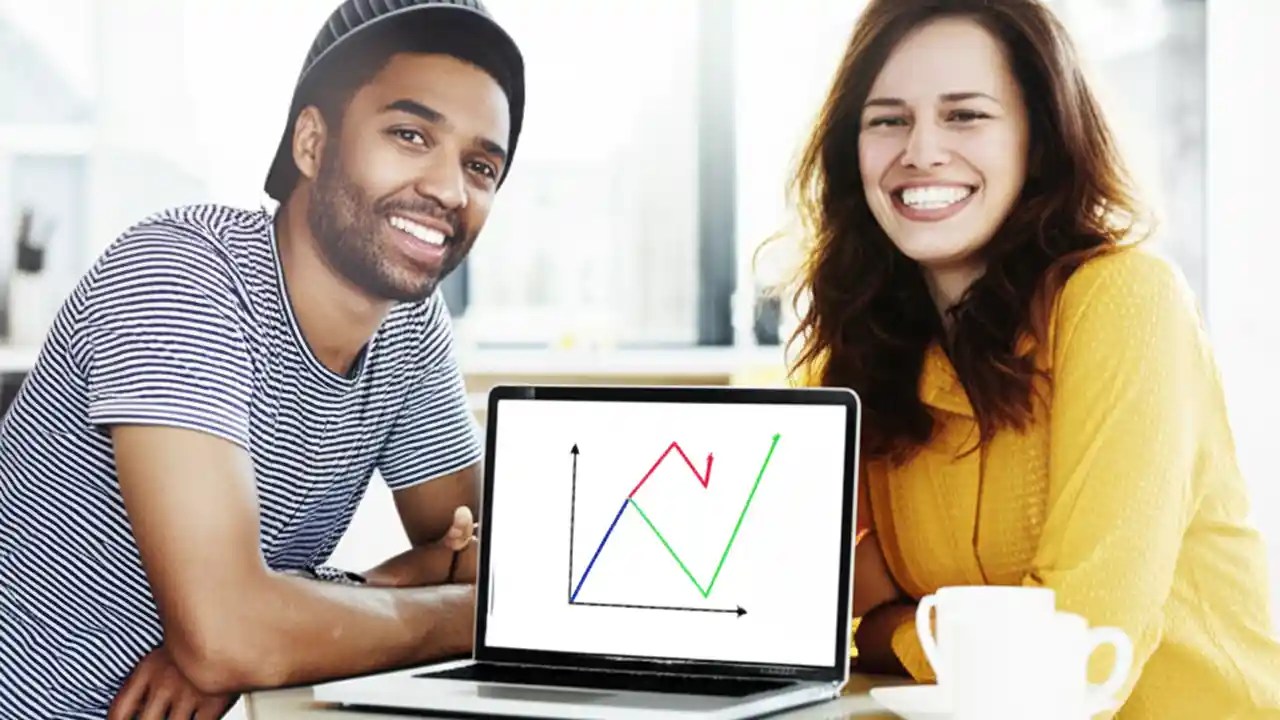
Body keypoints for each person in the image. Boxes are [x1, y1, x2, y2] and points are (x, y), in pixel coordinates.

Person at [0, 1, 525, 717]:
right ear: (311, 143)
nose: (448, 189)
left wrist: (295, 614)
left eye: (480, 165)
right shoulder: (181, 272)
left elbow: (485, 557)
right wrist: (467, 617)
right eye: (410, 135)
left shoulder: (409, 326)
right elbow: (227, 637)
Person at [773, 0, 1280, 717]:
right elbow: (819, 617)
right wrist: (879, 623)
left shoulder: (1124, 299)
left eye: (965, 115)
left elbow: (1079, 654)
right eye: (887, 120)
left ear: (1039, 140)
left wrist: (896, 628)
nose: (921, 150)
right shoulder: (871, 348)